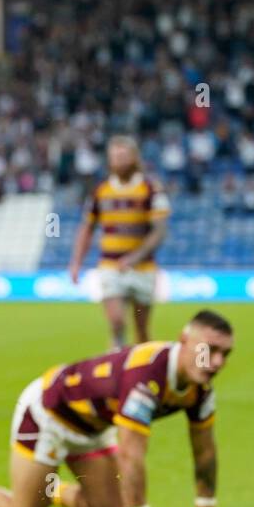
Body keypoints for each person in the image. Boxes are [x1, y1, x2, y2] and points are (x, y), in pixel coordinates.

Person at [0, 310, 234, 507]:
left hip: (92, 429)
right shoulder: (147, 374)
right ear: (185, 340)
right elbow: (131, 452)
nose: (216, 362)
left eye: (225, 354)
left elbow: (205, 450)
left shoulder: (199, 387)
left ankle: (48, 490)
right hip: (48, 415)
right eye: (210, 350)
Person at [68, 136, 170, 348]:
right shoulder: (101, 191)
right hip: (110, 267)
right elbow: (87, 228)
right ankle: (116, 362)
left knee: (141, 330)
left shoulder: (151, 189)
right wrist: (76, 262)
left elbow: (159, 231)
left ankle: (140, 369)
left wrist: (135, 257)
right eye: (115, 157)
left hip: (143, 268)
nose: (119, 161)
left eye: (123, 156)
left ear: (134, 158)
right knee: (116, 321)